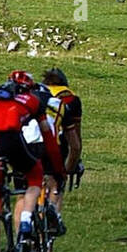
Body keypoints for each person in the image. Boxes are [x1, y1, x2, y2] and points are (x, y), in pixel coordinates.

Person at [0, 71, 65, 250]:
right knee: (40, 179)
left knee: (12, 194)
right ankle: (33, 218)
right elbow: (50, 137)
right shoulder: (36, 100)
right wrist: (59, 170)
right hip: (29, 142)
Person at [40, 67, 82, 230]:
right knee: (56, 187)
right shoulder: (71, 99)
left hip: (30, 146)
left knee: (27, 194)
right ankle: (53, 220)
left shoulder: (36, 95)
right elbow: (76, 138)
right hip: (57, 147)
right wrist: (72, 164)